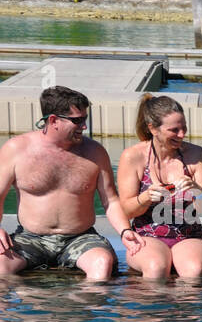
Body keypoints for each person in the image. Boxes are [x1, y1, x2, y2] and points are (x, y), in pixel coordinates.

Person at [0, 85, 141, 280]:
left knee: (102, 265)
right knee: (0, 267)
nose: (84, 126)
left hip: (80, 238)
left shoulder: (95, 153)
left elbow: (111, 200)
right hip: (29, 238)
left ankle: (81, 308)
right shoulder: (16, 149)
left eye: (85, 119)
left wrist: (125, 231)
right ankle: (21, 310)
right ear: (53, 120)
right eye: (78, 120)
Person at [116, 94, 202, 280]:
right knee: (156, 269)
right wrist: (145, 197)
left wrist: (197, 190)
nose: (182, 135)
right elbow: (126, 211)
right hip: (146, 235)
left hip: (188, 235)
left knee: (193, 271)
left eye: (184, 128)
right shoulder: (133, 156)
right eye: (174, 130)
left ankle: (187, 309)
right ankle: (155, 310)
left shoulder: (196, 155)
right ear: (153, 128)